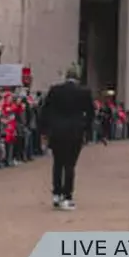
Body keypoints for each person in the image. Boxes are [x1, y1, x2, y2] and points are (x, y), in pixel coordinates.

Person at [40, 68, 93, 210]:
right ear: (77, 78)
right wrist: (87, 131)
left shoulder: (55, 90)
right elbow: (90, 114)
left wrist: (44, 130)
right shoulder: (84, 92)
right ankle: (67, 196)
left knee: (57, 163)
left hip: (57, 131)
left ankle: (56, 194)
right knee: (70, 165)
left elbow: (45, 111)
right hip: (75, 131)